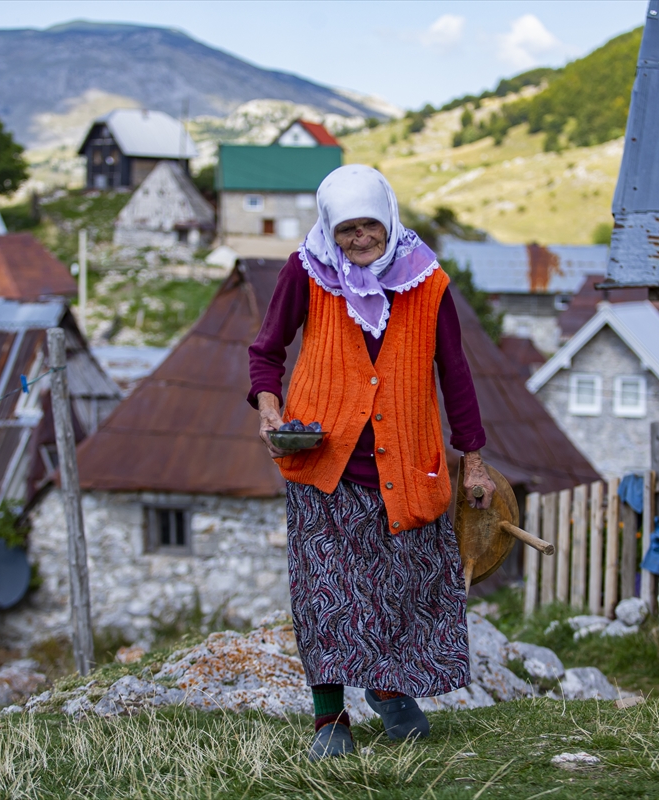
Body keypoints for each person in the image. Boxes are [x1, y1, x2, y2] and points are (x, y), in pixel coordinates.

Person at [247, 164, 496, 760]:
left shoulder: (428, 284)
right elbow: (266, 350)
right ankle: (329, 719)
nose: (359, 239)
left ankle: (390, 690)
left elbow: (454, 372)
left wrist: (474, 460)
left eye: (370, 226)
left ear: (390, 219)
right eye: (347, 229)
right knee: (324, 594)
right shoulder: (306, 272)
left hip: (407, 467)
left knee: (402, 589)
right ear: (330, 228)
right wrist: (268, 406)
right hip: (321, 466)